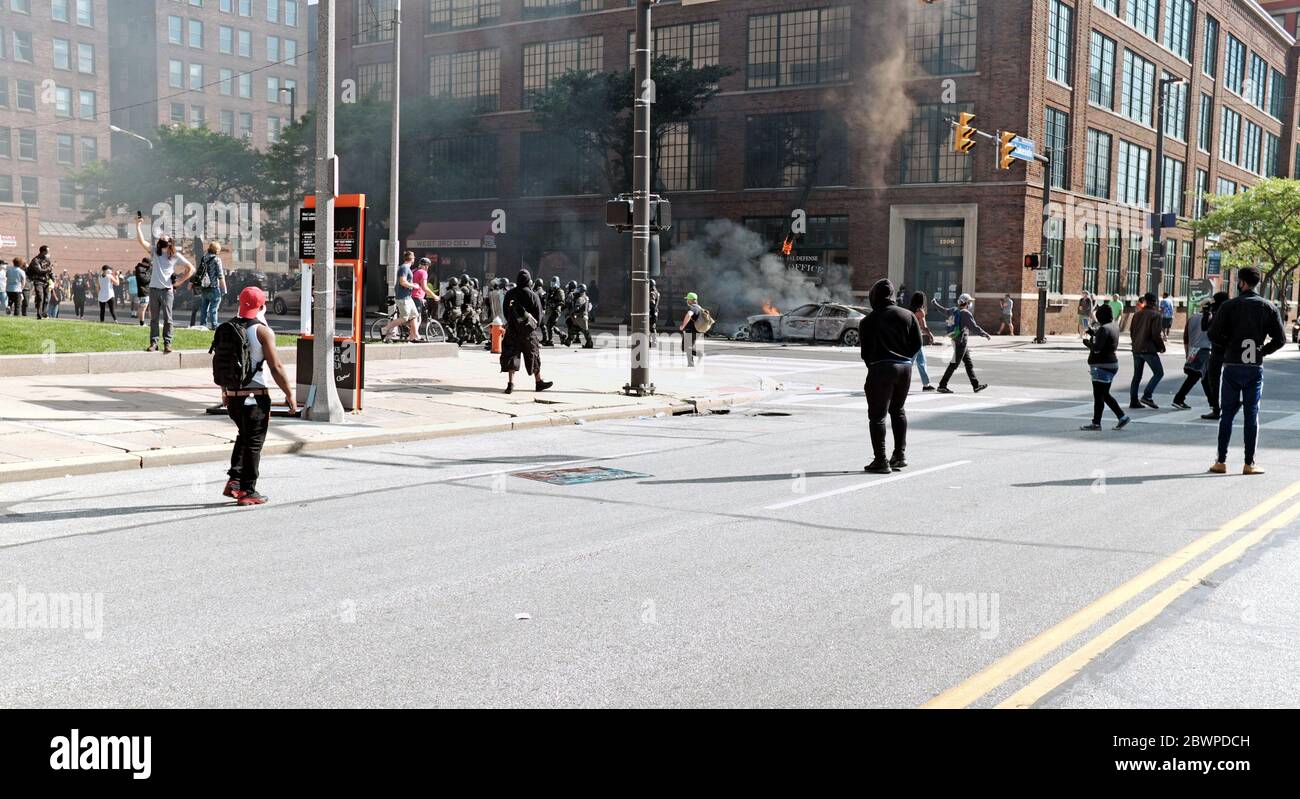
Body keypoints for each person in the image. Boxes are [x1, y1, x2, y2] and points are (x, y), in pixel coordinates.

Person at [220, 286, 296, 506]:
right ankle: (247, 491)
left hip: (233, 396)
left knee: (244, 436)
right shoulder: (262, 331)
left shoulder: (227, 327)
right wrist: (289, 394)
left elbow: (223, 363)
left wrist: (225, 391)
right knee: (254, 442)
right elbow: (276, 366)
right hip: (255, 397)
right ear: (262, 305)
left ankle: (234, 481)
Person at [1208, 267, 1284, 475]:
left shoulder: (1228, 306)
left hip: (1232, 366)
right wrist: (1262, 351)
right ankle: (1249, 463)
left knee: (1227, 415)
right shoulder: (1268, 307)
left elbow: (1213, 334)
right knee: (1252, 414)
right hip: (1254, 367)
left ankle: (1221, 461)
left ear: (1241, 282)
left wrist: (1229, 347)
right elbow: (1280, 339)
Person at [860, 279, 923, 474]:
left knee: (877, 416)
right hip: (904, 368)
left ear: (874, 296)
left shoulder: (867, 321)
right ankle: (899, 455)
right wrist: (904, 358)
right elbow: (918, 344)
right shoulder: (908, 315)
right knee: (898, 410)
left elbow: (865, 352)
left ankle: (880, 460)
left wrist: (875, 364)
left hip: (880, 368)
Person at [134, 218, 195, 353]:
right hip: (154, 290)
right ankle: (154, 343)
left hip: (167, 291)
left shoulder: (175, 256)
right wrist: (137, 225)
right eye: (160, 238)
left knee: (168, 318)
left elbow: (191, 268)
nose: (161, 239)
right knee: (154, 319)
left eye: (164, 238)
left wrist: (179, 282)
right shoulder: (155, 251)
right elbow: (141, 241)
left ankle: (168, 343)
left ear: (169, 243)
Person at [1079, 303, 1131, 431]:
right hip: (1111, 364)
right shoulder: (1113, 326)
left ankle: (1097, 423)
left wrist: (1087, 344)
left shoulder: (1104, 329)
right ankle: (1121, 417)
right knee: (1104, 394)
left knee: (1099, 395)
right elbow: (1103, 339)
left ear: (1101, 316)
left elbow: (1097, 349)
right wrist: (1091, 332)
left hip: (1100, 365)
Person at [501, 269, 553, 395]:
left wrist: (512, 323)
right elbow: (539, 317)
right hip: (528, 333)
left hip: (512, 331)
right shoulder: (533, 295)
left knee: (511, 356)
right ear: (529, 281)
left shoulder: (510, 294)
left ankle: (510, 384)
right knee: (533, 356)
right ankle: (538, 382)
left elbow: (505, 312)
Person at [932, 293, 990, 393]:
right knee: (953, 364)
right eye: (970, 302)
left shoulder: (953, 310)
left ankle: (975, 385)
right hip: (961, 342)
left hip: (955, 340)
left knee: (968, 363)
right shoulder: (965, 313)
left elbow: (943, 310)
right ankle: (942, 385)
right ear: (967, 303)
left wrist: (935, 303)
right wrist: (984, 334)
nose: (970, 304)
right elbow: (974, 327)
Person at [1170, 296, 1215, 411]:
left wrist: (1187, 353)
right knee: (1198, 376)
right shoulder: (1211, 318)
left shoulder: (1192, 318)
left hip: (1193, 350)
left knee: (1202, 377)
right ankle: (1179, 399)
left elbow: (1186, 338)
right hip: (1204, 350)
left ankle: (1213, 403)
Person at [1128, 292, 1165, 409]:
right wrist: (1161, 346)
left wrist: (1135, 344)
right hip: (1148, 349)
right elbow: (1155, 334)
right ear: (1155, 302)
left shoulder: (1137, 315)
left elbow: (1132, 332)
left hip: (1137, 348)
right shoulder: (1156, 315)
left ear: (1145, 301)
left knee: (1137, 376)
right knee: (1159, 373)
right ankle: (1147, 395)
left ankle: (1133, 401)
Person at [1200, 291, 1230, 420]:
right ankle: (1218, 406)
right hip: (1225, 351)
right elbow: (1204, 327)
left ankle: (1216, 408)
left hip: (1219, 351)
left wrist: (1209, 313)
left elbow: (1208, 330)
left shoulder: (1220, 314)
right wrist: (1206, 313)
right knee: (1215, 379)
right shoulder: (1225, 312)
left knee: (1212, 380)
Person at [381, 251, 420, 342]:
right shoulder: (404, 268)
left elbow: (403, 282)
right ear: (412, 259)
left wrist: (411, 284)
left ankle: (413, 337)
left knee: (414, 315)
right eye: (414, 257)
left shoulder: (406, 268)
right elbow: (403, 282)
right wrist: (414, 286)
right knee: (404, 318)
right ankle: (385, 329)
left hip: (407, 297)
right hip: (403, 298)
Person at [908, 292, 936, 391]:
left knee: (921, 361)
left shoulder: (910, 310)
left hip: (910, 338)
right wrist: (931, 335)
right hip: (917, 339)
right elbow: (924, 327)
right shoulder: (920, 311)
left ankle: (926, 384)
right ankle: (900, 381)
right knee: (910, 362)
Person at [197, 243, 227, 330]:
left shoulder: (204, 258)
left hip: (204, 287)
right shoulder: (217, 259)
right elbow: (221, 275)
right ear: (217, 250)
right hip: (213, 287)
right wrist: (224, 289)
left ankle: (203, 324)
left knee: (204, 307)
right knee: (214, 307)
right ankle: (214, 324)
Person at [678, 291, 705, 367]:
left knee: (685, 347)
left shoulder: (693, 307)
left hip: (692, 331)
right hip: (698, 331)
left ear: (690, 300)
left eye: (687, 299)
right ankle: (690, 363)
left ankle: (699, 354)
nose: (687, 301)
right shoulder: (700, 308)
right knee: (688, 347)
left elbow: (689, 315)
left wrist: (683, 325)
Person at [26, 247, 53, 319]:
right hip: (38, 281)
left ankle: (44, 313)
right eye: (47, 251)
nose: (48, 253)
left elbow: (50, 272)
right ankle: (39, 314)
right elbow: (39, 271)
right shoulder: (35, 260)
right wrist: (49, 269)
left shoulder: (47, 260)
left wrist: (53, 278)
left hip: (46, 282)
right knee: (40, 297)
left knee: (46, 299)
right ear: (43, 252)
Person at [566, 283, 594, 348]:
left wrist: (570, 312)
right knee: (574, 329)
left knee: (585, 331)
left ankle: (589, 343)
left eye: (579, 289)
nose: (577, 290)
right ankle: (568, 341)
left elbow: (577, 307)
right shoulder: (586, 297)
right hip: (582, 316)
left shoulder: (581, 298)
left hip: (580, 316)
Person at [542, 276, 565, 347]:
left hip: (556, 310)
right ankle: (562, 335)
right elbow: (548, 299)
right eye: (552, 283)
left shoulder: (560, 291)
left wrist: (554, 304)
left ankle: (551, 341)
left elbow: (562, 302)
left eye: (555, 283)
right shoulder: (552, 291)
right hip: (551, 310)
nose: (553, 285)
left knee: (549, 324)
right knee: (551, 325)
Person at [132, 257, 151, 326]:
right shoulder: (139, 269)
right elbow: (144, 279)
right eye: (148, 264)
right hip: (144, 291)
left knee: (149, 307)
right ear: (144, 263)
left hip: (148, 290)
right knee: (143, 307)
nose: (149, 265)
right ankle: (141, 323)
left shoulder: (146, 268)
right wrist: (151, 277)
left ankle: (153, 322)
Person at [648, 278, 661, 345]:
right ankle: (652, 341)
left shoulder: (652, 293)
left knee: (651, 327)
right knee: (652, 327)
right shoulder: (657, 292)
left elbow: (652, 304)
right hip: (655, 312)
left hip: (652, 312)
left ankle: (653, 341)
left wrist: (649, 312)